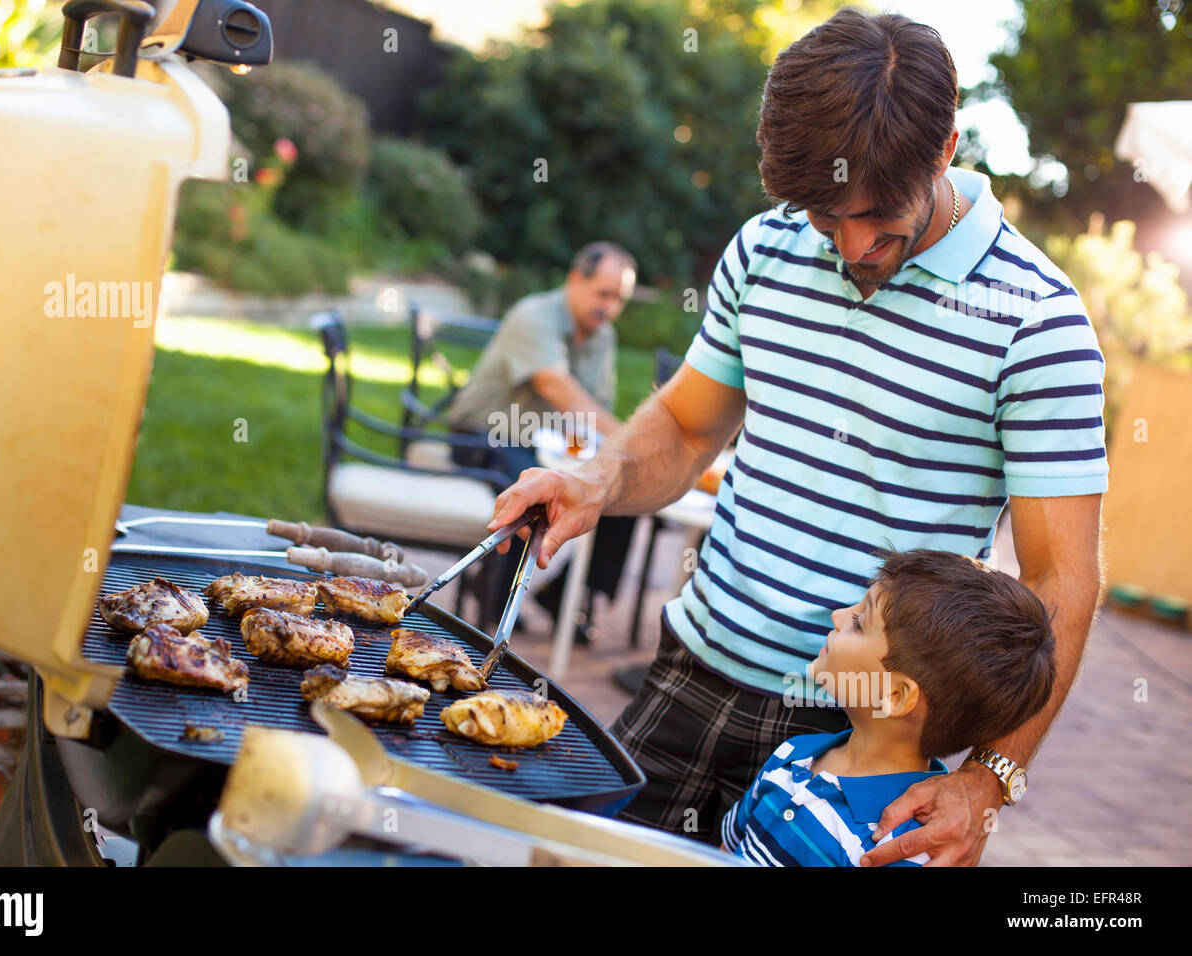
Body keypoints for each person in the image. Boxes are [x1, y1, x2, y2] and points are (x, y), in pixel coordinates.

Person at [487, 7, 1106, 866]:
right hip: (692, 669)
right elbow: (683, 424)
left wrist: (989, 779)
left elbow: (1061, 579)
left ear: (946, 148)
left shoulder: (1039, 323)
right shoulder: (765, 248)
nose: (852, 246)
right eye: (825, 215)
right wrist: (601, 478)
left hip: (859, 730)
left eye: (878, 215)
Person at [723, 549, 1055, 866]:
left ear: (895, 696)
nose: (838, 616)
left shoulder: (900, 846)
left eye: (858, 622)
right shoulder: (793, 754)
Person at [448, 242, 639, 627]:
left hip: (542, 442)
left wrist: (614, 458)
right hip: (484, 432)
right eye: (603, 293)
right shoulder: (534, 315)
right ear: (574, 280)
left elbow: (594, 406)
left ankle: (567, 595)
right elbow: (555, 385)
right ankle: (495, 604)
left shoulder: (603, 337)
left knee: (622, 487)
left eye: (619, 299)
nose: (610, 307)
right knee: (532, 484)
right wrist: (627, 441)